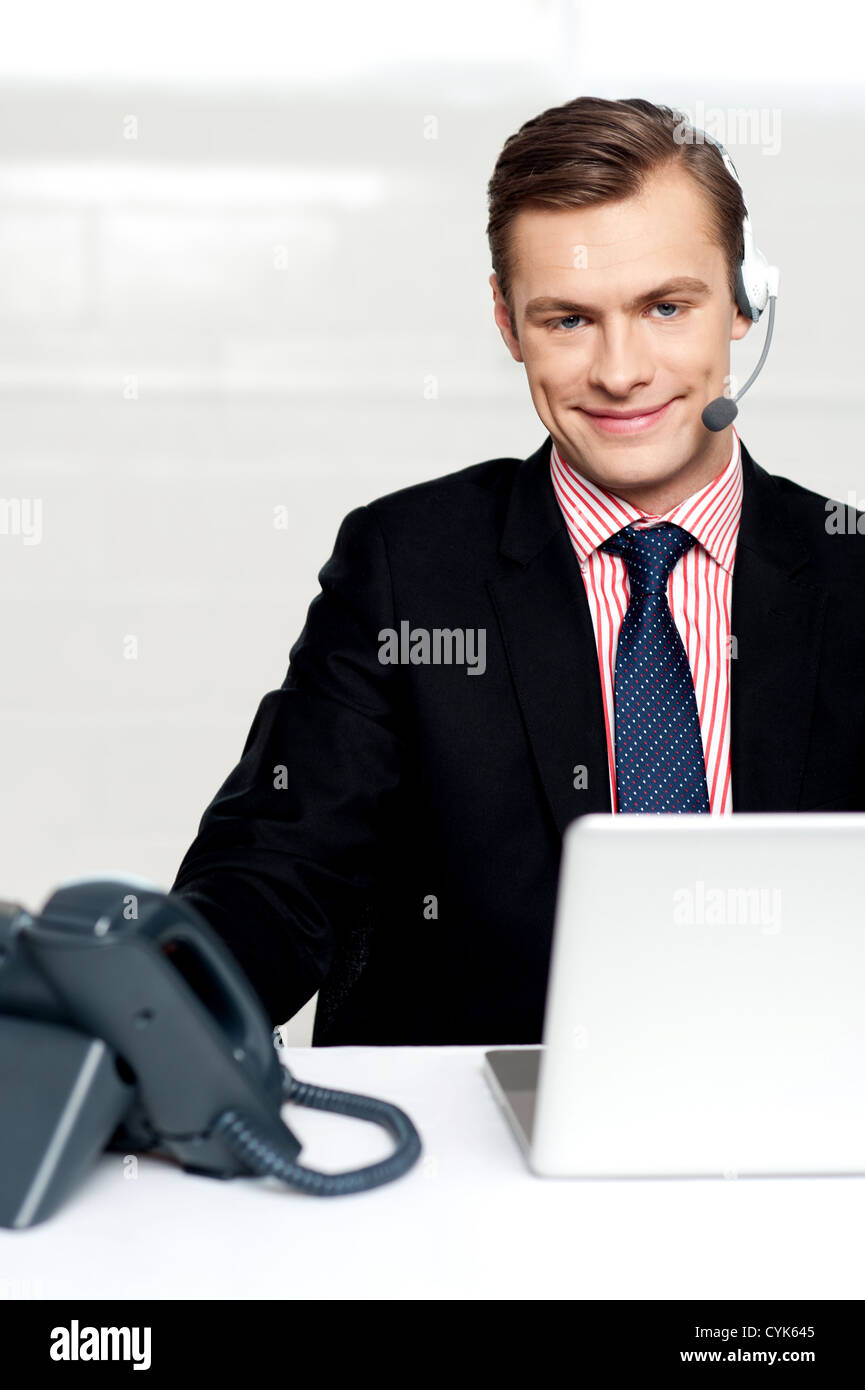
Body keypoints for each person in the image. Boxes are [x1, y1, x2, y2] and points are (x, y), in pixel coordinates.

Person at [170, 95, 865, 1046]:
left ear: (743, 304)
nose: (620, 372)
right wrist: (152, 1004)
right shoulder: (405, 566)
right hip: (468, 1163)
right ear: (506, 322)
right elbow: (279, 870)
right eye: (568, 320)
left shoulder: (852, 572)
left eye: (666, 307)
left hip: (799, 1132)